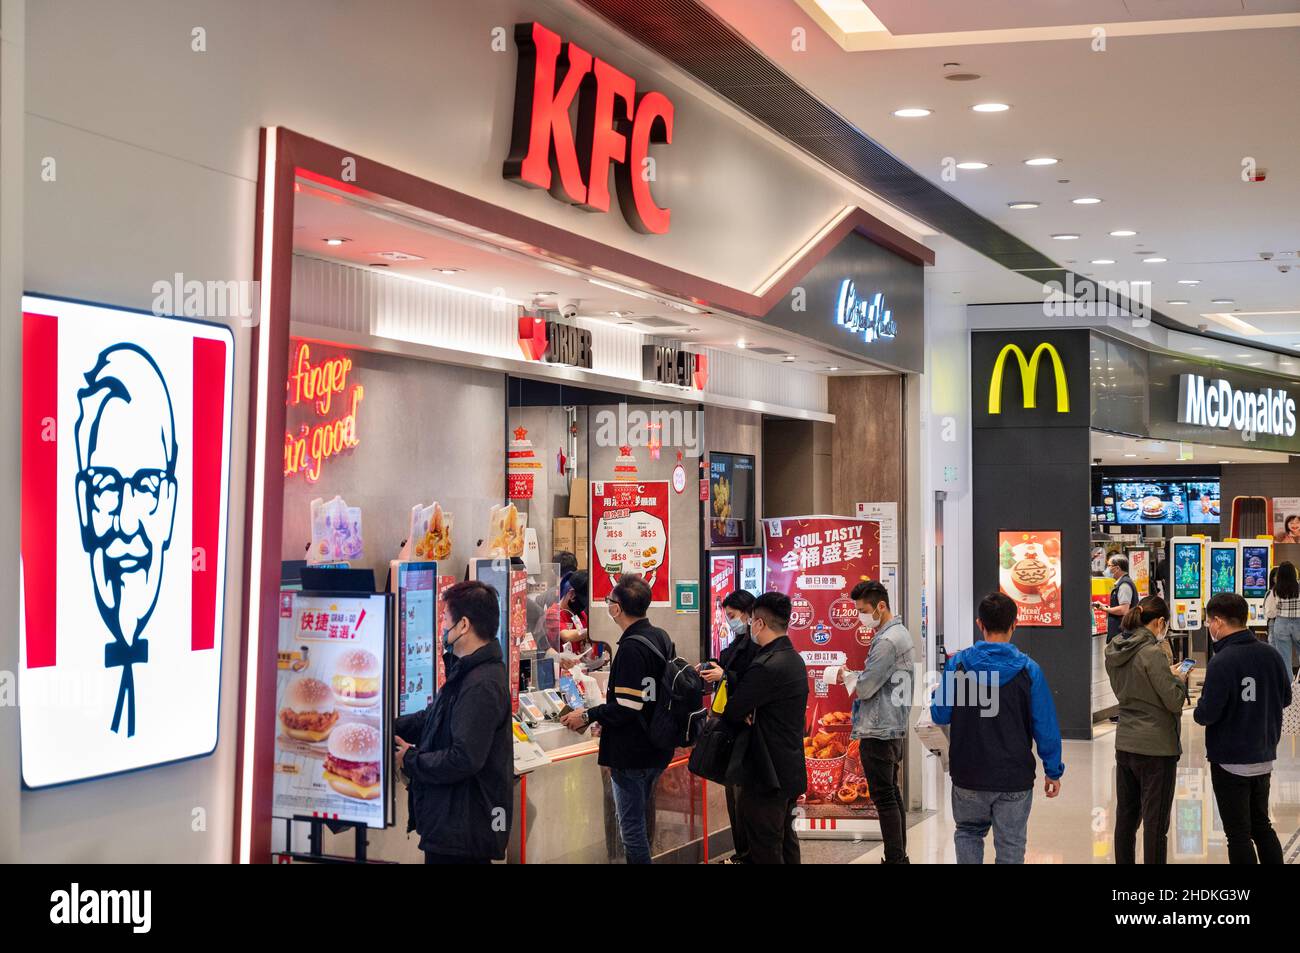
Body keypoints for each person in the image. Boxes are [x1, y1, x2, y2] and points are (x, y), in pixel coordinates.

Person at [931, 592, 1064, 864]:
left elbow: (940, 714)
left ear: (980, 624)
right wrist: (1053, 770)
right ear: (1014, 625)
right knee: (1011, 845)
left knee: (968, 832)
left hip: (968, 773)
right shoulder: (1029, 670)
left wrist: (937, 695)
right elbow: (1045, 725)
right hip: (1013, 776)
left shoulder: (958, 664)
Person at [393, 580, 512, 864]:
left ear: (463, 625)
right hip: (452, 825)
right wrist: (387, 726)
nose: (442, 627)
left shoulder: (481, 684)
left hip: (463, 831)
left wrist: (410, 760)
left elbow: (464, 757)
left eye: (446, 619)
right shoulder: (468, 671)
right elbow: (433, 718)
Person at [559, 575, 674, 864]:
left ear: (617, 609)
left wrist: (588, 714)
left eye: (610, 601)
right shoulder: (659, 636)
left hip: (632, 752)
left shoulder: (631, 648)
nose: (608, 605)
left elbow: (627, 707)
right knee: (642, 822)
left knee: (631, 829)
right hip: (657, 747)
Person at [1194, 592, 1293, 864]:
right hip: (1263, 755)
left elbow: (1207, 714)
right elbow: (1286, 697)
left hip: (1230, 760)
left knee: (1237, 833)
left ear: (1218, 622)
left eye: (1208, 622)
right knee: (1262, 826)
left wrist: (1199, 710)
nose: (1208, 627)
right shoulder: (1270, 654)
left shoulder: (1222, 661)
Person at [720, 592, 808, 864]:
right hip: (790, 766)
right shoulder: (794, 659)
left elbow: (733, 709)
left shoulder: (766, 665)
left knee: (764, 847)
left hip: (765, 772)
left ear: (758, 623)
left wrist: (746, 710)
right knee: (786, 842)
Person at [832, 580, 913, 864]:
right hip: (890, 725)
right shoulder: (896, 634)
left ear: (881, 606)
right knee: (891, 794)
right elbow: (879, 680)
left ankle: (895, 858)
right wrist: (858, 675)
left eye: (864, 610)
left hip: (879, 728)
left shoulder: (887, 640)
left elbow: (866, 688)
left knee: (884, 798)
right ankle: (898, 856)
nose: (860, 617)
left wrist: (850, 677)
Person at [1105, 595, 1189, 864]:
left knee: (1126, 819)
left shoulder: (1115, 649)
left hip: (1126, 742)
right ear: (1160, 622)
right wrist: (1178, 680)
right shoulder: (1152, 653)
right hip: (1156, 748)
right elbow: (1174, 701)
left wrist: (1166, 675)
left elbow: (1137, 685)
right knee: (1155, 824)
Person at [698, 589, 757, 863]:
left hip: (745, 731)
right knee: (732, 795)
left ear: (748, 614)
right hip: (729, 725)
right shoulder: (737, 642)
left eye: (733, 615)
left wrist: (725, 675)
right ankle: (741, 852)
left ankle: (747, 854)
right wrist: (715, 668)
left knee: (742, 796)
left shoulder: (757, 646)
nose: (731, 620)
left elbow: (751, 682)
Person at [545, 570, 602, 667]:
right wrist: (591, 631)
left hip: (579, 671)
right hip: (561, 673)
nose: (584, 605)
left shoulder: (580, 614)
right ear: (571, 594)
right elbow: (566, 635)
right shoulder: (554, 613)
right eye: (584, 601)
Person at [1267, 561, 1300, 676]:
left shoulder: (1276, 590)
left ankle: (1289, 688)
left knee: (1284, 658)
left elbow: (1270, 612)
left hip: (1281, 624)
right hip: (1299, 624)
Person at [1103, 555, 1139, 644]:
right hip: (1121, 634)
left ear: (1117, 568)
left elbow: (1124, 610)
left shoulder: (1124, 585)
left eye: (1109, 566)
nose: (1107, 569)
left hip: (1122, 635)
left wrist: (1105, 609)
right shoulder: (1122, 583)